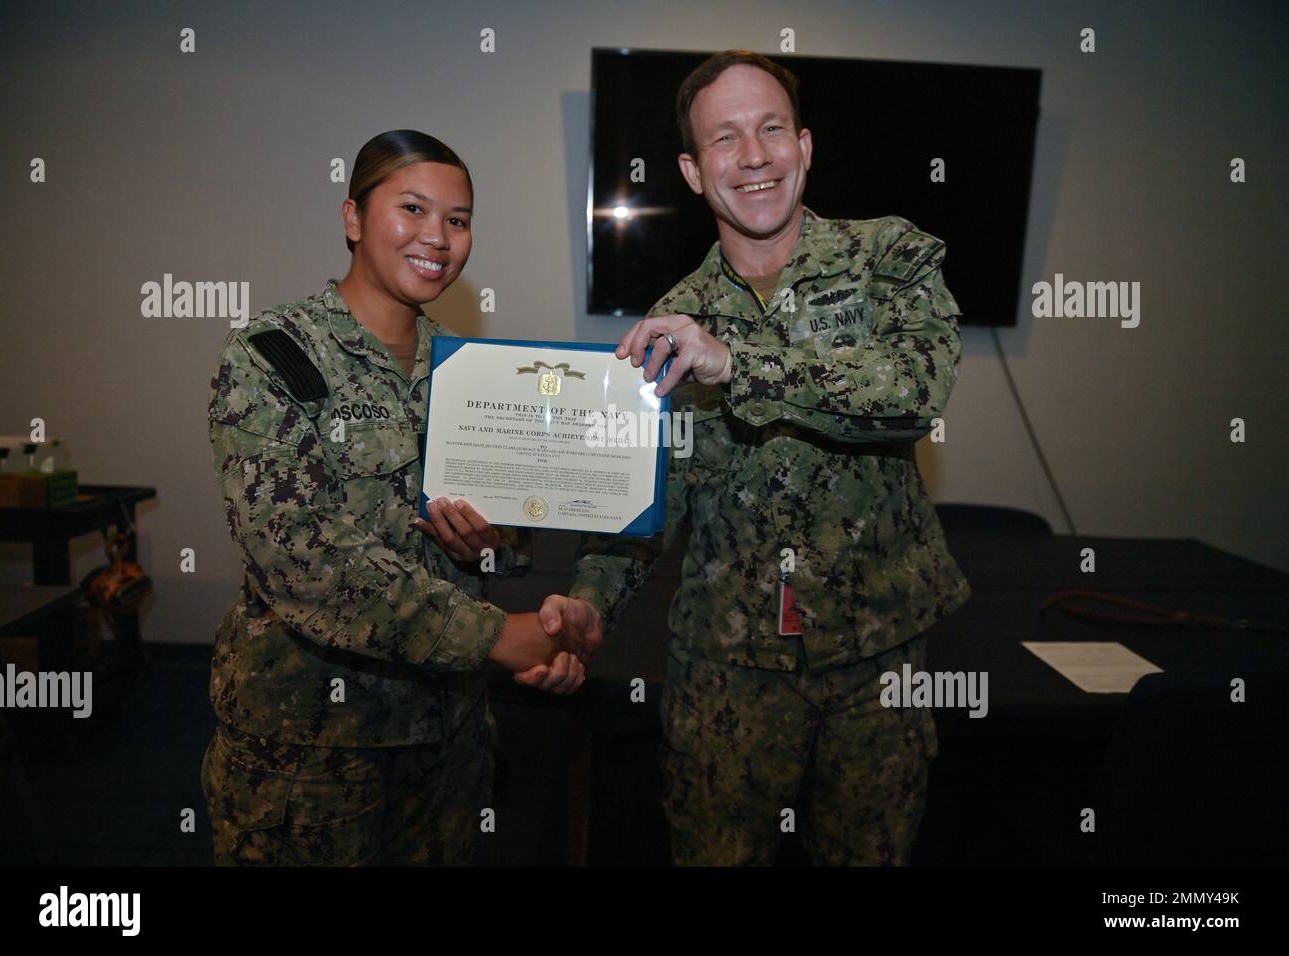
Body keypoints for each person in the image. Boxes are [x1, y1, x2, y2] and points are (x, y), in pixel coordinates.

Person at [540, 51, 972, 865]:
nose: (754, 156)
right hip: (725, 672)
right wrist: (590, 605)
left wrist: (740, 365)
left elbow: (916, 389)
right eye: (725, 139)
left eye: (772, 129)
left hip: (876, 662)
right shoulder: (673, 320)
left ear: (804, 147)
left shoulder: (890, 258)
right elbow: (647, 496)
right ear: (694, 172)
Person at [201, 129, 597, 866]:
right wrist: (500, 638)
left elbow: (511, 547)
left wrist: (490, 549)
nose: (437, 238)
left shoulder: (473, 372)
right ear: (353, 217)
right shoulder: (273, 355)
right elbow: (304, 564)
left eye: (458, 218)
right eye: (412, 208)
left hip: (446, 739)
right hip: (310, 746)